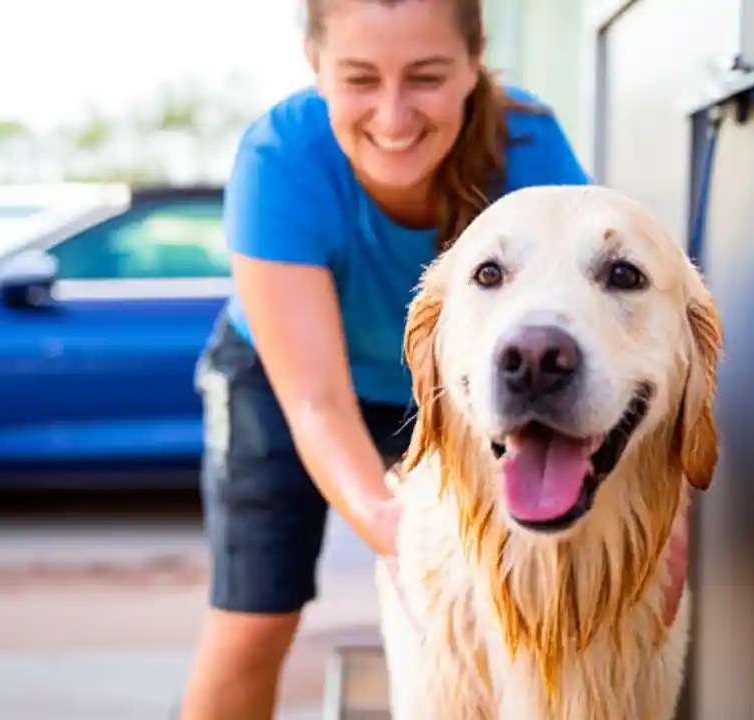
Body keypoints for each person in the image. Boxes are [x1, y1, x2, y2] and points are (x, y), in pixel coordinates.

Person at [178, 0, 590, 717]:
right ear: (315, 63)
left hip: (450, 385)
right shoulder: (280, 159)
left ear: (472, 61)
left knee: (522, 603)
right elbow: (316, 403)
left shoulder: (532, 148)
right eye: (360, 78)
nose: (394, 118)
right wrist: (409, 542)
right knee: (255, 619)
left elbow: (593, 338)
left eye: (426, 77)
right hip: (285, 383)